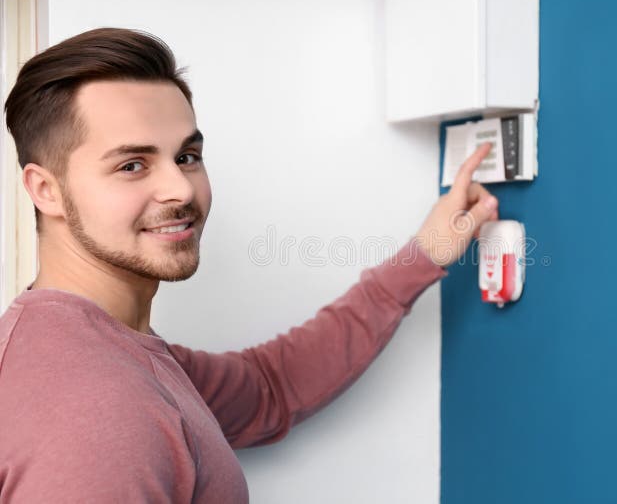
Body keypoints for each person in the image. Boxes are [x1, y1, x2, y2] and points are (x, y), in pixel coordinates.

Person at [0, 27, 499, 503]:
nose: (179, 188)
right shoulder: (93, 413)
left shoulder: (90, 345)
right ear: (46, 190)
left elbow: (269, 388)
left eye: (188, 156)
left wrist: (424, 254)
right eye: (132, 165)